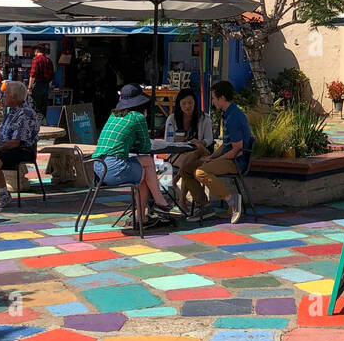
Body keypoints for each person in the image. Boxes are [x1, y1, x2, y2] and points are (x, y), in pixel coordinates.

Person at [92, 84, 177, 229]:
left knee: (144, 172)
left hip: (98, 168)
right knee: (148, 161)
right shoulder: (138, 117)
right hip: (114, 168)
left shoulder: (114, 115)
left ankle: (142, 217)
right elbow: (145, 147)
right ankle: (159, 201)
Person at [179, 79, 252, 223]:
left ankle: (232, 201)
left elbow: (238, 150)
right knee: (186, 169)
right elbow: (226, 145)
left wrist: (216, 160)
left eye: (213, 98)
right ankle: (204, 205)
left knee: (201, 172)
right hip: (228, 157)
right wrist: (212, 157)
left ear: (222, 98)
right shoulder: (226, 114)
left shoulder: (233, 118)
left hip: (236, 161)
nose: (212, 102)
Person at [0, 80, 41, 211]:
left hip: (21, 149)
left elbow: (15, 142)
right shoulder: (12, 111)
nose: (3, 97)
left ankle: (3, 195)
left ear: (14, 97)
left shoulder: (25, 113)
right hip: (6, 146)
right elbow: (1, 132)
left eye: (6, 94)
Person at [162, 87, 214, 206]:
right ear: (179, 104)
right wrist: (177, 141)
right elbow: (167, 141)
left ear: (195, 103)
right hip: (178, 153)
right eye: (184, 103)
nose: (187, 106)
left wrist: (202, 143)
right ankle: (182, 200)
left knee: (193, 157)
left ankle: (181, 198)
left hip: (198, 152)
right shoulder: (172, 119)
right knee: (189, 164)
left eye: (190, 103)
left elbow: (209, 139)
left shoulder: (204, 118)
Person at [28, 45, 54, 118]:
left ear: (37, 51)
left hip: (37, 85)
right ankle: (42, 123)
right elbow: (51, 77)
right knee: (43, 106)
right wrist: (47, 86)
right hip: (45, 86)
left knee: (35, 106)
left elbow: (33, 74)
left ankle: (35, 124)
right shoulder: (49, 60)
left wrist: (29, 88)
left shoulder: (36, 59)